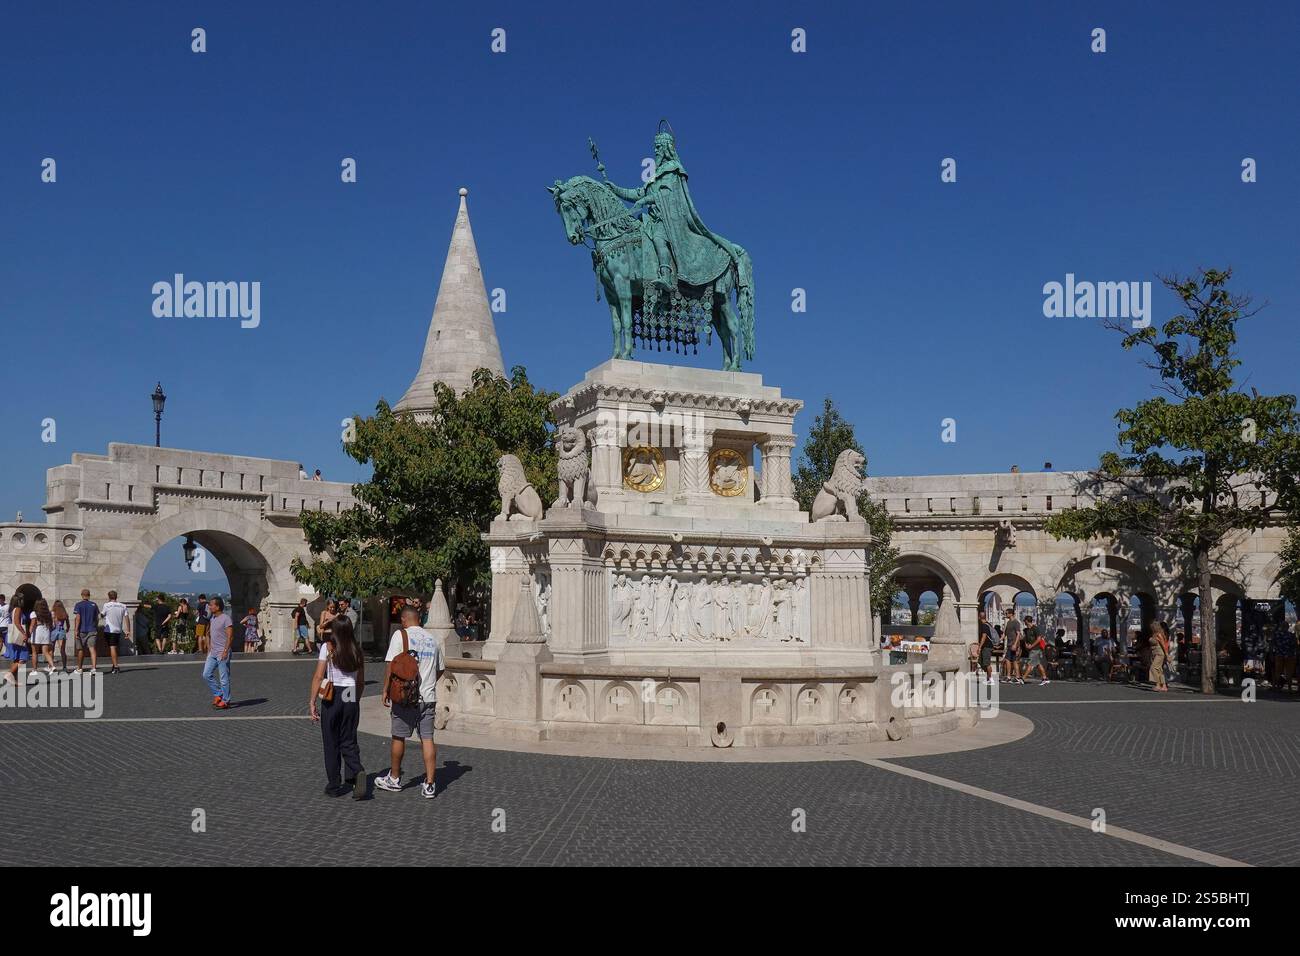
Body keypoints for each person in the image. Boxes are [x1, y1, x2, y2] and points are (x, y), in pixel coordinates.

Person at [375, 605, 444, 798]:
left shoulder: (400, 636)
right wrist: (428, 683)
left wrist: (385, 690)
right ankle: (430, 784)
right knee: (428, 738)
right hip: (428, 697)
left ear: (404, 620)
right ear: (419, 619)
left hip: (405, 697)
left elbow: (391, 665)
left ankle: (394, 778)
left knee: (399, 736)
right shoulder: (433, 639)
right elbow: (440, 669)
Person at [309, 615, 366, 799]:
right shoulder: (357, 650)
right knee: (348, 739)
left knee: (331, 740)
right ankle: (356, 771)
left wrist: (312, 701)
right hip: (350, 693)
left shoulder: (328, 647)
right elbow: (361, 682)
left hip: (333, 694)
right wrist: (355, 700)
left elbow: (318, 676)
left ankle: (334, 785)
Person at [203, 597, 234, 709]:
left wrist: (226, 651)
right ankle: (218, 693)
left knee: (224, 678)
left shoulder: (226, 619)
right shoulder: (212, 619)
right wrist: (209, 649)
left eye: (211, 605)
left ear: (218, 606)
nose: (209, 607)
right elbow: (209, 634)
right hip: (213, 653)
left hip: (222, 652)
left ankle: (226, 700)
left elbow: (230, 637)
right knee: (206, 674)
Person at [101, 590, 129, 675]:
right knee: (114, 647)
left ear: (109, 597)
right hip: (118, 630)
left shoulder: (106, 605)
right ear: (116, 597)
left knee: (112, 647)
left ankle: (116, 666)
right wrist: (128, 630)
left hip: (109, 630)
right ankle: (114, 664)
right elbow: (126, 617)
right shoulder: (123, 606)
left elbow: (102, 614)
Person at [4, 595, 30, 684]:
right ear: (20, 601)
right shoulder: (18, 609)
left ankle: (14, 680)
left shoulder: (13, 609)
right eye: (22, 599)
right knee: (24, 657)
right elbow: (17, 622)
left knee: (16, 658)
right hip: (18, 635)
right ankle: (9, 673)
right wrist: (24, 633)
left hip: (13, 634)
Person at [73, 589, 100, 673]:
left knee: (80, 649)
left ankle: (79, 668)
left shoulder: (78, 605)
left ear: (82, 595)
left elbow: (78, 618)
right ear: (89, 595)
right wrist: (95, 626)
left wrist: (76, 630)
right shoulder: (94, 605)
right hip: (92, 629)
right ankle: (94, 668)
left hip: (81, 630)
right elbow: (97, 618)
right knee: (92, 649)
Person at [1021, 614, 1050, 685]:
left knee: (1030, 664)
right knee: (1038, 664)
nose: (1024, 623)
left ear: (1027, 621)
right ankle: (1044, 678)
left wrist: (1031, 646)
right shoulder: (1026, 630)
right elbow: (1025, 638)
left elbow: (1039, 639)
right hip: (1031, 649)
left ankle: (1023, 678)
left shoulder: (1035, 628)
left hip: (1035, 649)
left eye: (1025, 621)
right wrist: (1026, 644)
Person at [30, 599, 55, 676]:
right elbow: (52, 625)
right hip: (46, 631)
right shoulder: (49, 613)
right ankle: (52, 666)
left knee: (35, 652)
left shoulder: (34, 613)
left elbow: (32, 625)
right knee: (45, 652)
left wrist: (29, 634)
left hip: (37, 632)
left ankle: (34, 670)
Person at [1001, 609, 1023, 683]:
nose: (1005, 614)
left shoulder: (1016, 622)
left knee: (1012, 660)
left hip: (1013, 644)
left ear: (1011, 614)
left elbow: (1018, 634)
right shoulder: (1008, 622)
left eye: (1006, 613)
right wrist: (1000, 639)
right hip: (1009, 644)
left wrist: (1015, 644)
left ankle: (1014, 677)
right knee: (1011, 660)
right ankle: (1012, 677)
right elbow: (1005, 633)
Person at [1149, 620, 1171, 692]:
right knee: (1159, 670)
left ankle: (1158, 684)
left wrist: (1167, 655)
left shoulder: (1159, 634)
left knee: (1153, 668)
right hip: (1154, 652)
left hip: (1159, 653)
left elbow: (1164, 645)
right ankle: (1164, 686)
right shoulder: (1155, 634)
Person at [51, 600, 72, 673]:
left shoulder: (53, 613)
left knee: (52, 650)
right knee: (62, 650)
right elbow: (68, 626)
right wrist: (66, 630)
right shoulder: (64, 613)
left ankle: (52, 666)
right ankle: (64, 667)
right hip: (61, 631)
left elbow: (51, 624)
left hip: (53, 632)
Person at [976, 610, 994, 678]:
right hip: (987, 646)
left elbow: (984, 637)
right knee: (981, 662)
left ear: (979, 617)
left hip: (986, 647)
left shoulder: (984, 625)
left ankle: (989, 678)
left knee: (987, 663)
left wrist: (979, 647)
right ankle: (988, 677)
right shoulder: (988, 624)